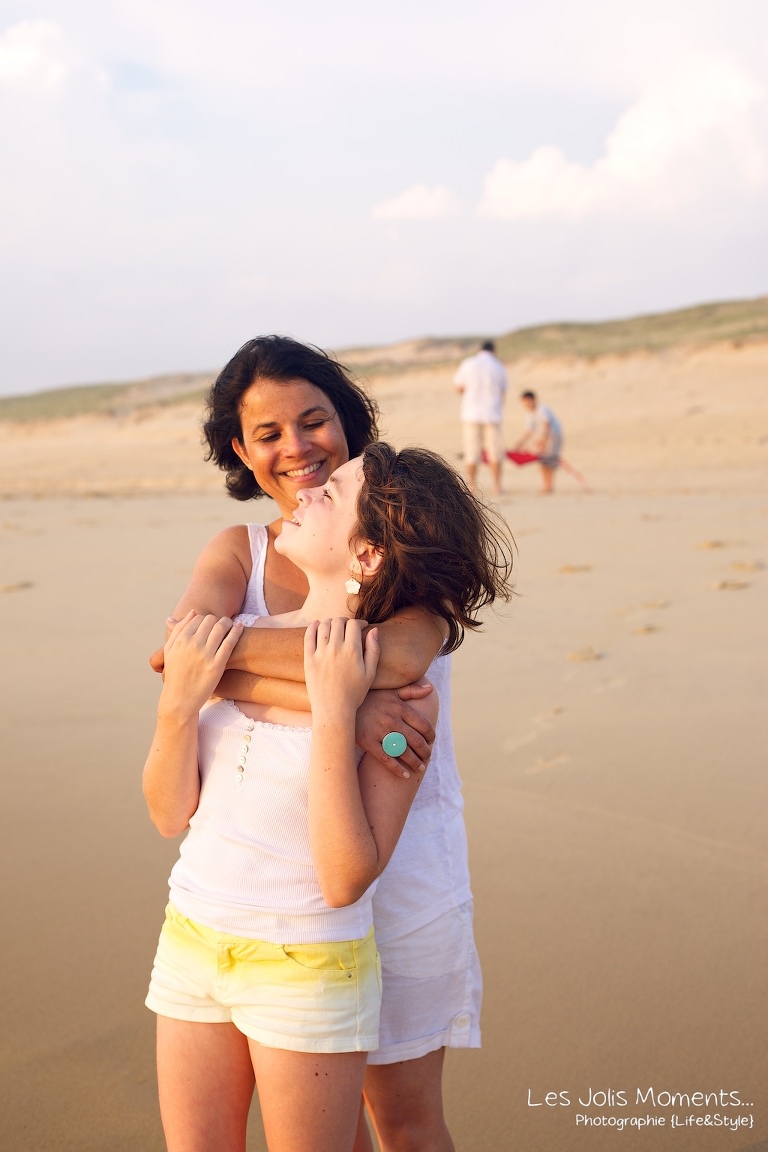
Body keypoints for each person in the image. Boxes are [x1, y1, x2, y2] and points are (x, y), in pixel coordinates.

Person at [147, 335, 507, 1152]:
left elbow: (399, 660)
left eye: (315, 422)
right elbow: (178, 660)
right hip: (255, 888)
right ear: (241, 450)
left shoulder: (400, 553)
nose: (297, 448)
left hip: (397, 867)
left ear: (348, 423)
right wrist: (345, 702)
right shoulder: (241, 550)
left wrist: (214, 662)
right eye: (268, 433)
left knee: (405, 1122)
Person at [453, 340, 509, 495]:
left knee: (471, 451)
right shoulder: (498, 366)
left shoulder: (468, 363)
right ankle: (497, 486)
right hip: (492, 413)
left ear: (480, 350)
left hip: (471, 413)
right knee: (495, 452)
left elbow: (459, 388)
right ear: (494, 351)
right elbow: (504, 391)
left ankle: (472, 486)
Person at [514, 390, 563, 494]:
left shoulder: (542, 409)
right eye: (524, 402)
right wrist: (520, 443)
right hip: (543, 437)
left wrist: (543, 442)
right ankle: (545, 485)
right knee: (542, 461)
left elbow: (547, 426)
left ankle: (549, 486)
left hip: (553, 435)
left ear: (533, 400)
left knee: (549, 461)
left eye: (527, 401)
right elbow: (529, 431)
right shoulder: (529, 414)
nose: (526, 404)